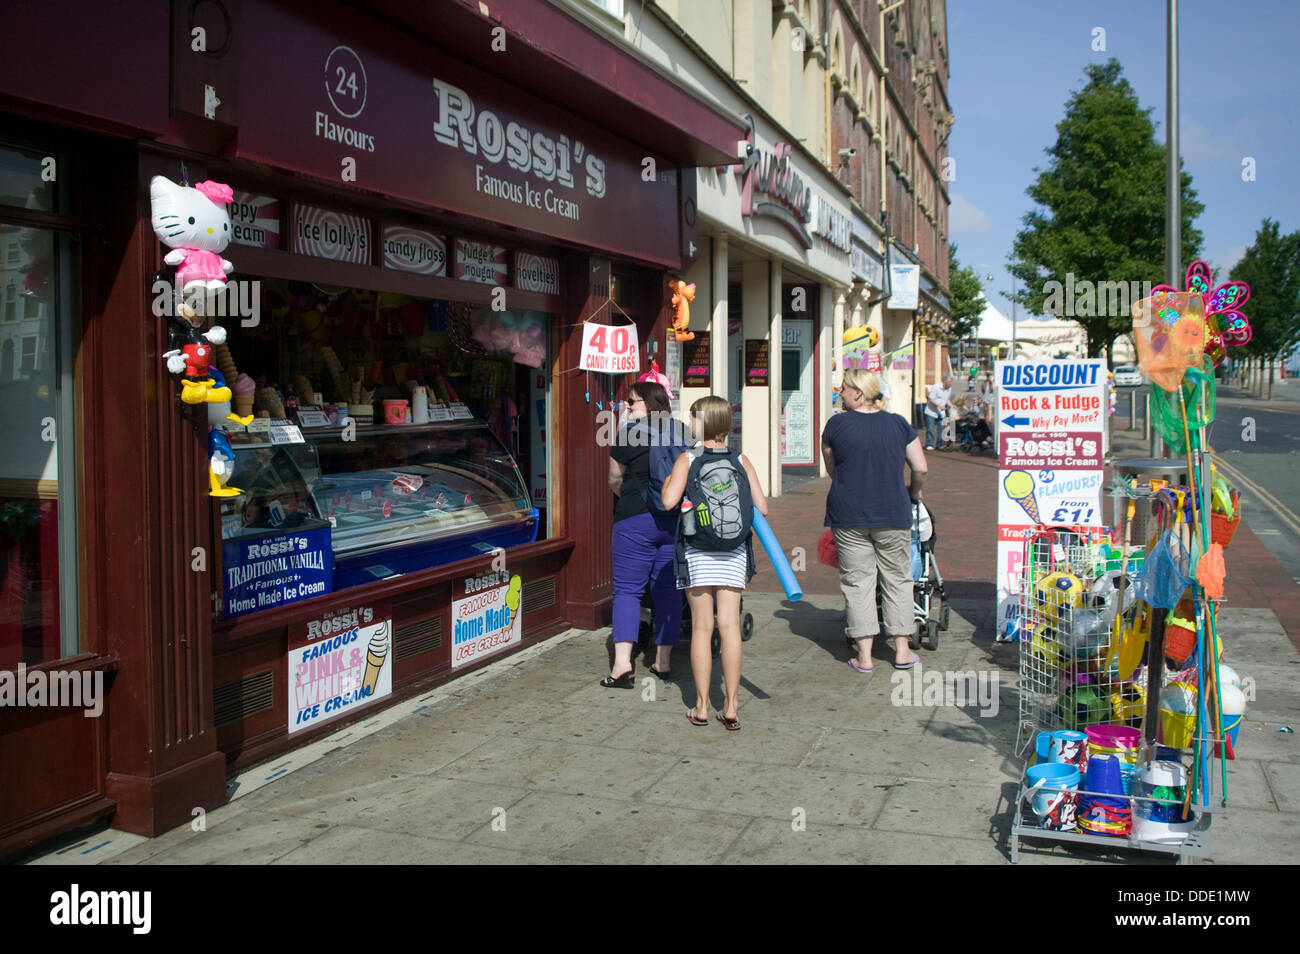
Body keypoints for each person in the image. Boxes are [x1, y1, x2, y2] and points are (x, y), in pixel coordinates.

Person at [660, 396, 767, 730]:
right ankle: (732, 705)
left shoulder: (687, 458)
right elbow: (762, 507)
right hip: (732, 554)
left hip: (697, 553)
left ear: (700, 422)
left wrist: (669, 481)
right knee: (730, 627)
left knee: (702, 629)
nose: (689, 424)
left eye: (692, 418)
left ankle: (702, 705)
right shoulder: (740, 460)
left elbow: (668, 502)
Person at [822, 369, 928, 673]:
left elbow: (831, 466)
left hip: (848, 513)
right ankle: (902, 651)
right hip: (893, 512)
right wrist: (913, 493)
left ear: (857, 392)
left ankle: (865, 656)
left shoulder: (836, 425)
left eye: (842, 389)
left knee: (858, 583)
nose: (838, 394)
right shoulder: (898, 424)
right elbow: (920, 468)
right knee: (898, 579)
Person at [602, 381, 690, 688]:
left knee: (628, 591)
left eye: (632, 402)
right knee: (668, 590)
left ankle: (622, 664)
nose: (627, 407)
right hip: (673, 520)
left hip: (634, 520)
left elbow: (614, 477)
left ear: (650, 405)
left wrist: (627, 495)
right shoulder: (683, 431)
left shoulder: (628, 433)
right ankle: (663, 661)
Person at [924, 374, 953, 449]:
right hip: (931, 411)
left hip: (941, 412)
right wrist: (939, 405)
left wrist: (953, 406)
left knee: (941, 428)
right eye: (949, 381)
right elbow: (931, 399)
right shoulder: (936, 387)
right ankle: (929, 444)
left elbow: (946, 399)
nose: (951, 383)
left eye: (951, 382)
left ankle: (939, 445)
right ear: (944, 381)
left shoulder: (949, 388)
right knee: (930, 429)